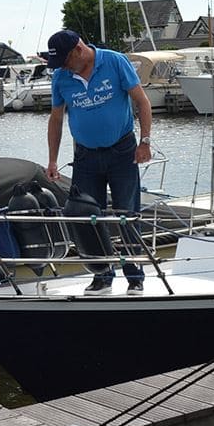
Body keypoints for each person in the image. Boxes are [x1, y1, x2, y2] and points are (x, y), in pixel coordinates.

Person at [41, 29, 153, 294]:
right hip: (85, 156)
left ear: (78, 50)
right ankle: (102, 276)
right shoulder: (61, 77)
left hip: (122, 151)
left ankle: (135, 277)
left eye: (65, 61)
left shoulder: (114, 61)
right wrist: (52, 160)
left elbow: (142, 102)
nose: (63, 67)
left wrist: (145, 141)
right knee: (88, 216)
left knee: (127, 214)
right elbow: (56, 118)